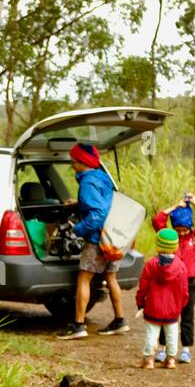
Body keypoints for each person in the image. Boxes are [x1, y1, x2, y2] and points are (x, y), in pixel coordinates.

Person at [56, 143, 128, 340]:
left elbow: (97, 214)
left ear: (82, 162)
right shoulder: (102, 176)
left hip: (97, 238)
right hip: (113, 237)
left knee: (84, 278)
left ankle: (78, 325)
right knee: (111, 277)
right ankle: (120, 320)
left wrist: (77, 229)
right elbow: (104, 202)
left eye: (74, 162)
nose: (72, 165)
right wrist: (78, 204)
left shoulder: (87, 182)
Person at [151, 192, 195, 363]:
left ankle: (185, 349)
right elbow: (157, 220)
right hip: (169, 282)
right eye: (178, 230)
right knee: (166, 315)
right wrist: (175, 206)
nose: (181, 233)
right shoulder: (169, 239)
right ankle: (163, 348)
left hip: (188, 283)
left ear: (190, 227)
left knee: (187, 316)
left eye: (184, 230)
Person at [135, 228, 188, 369]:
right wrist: (181, 305)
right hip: (172, 309)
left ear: (158, 245)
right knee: (172, 334)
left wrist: (140, 303)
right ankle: (171, 360)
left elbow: (143, 287)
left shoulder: (151, 264)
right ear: (175, 246)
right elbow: (184, 290)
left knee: (151, 334)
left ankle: (148, 360)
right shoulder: (181, 266)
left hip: (153, 307)